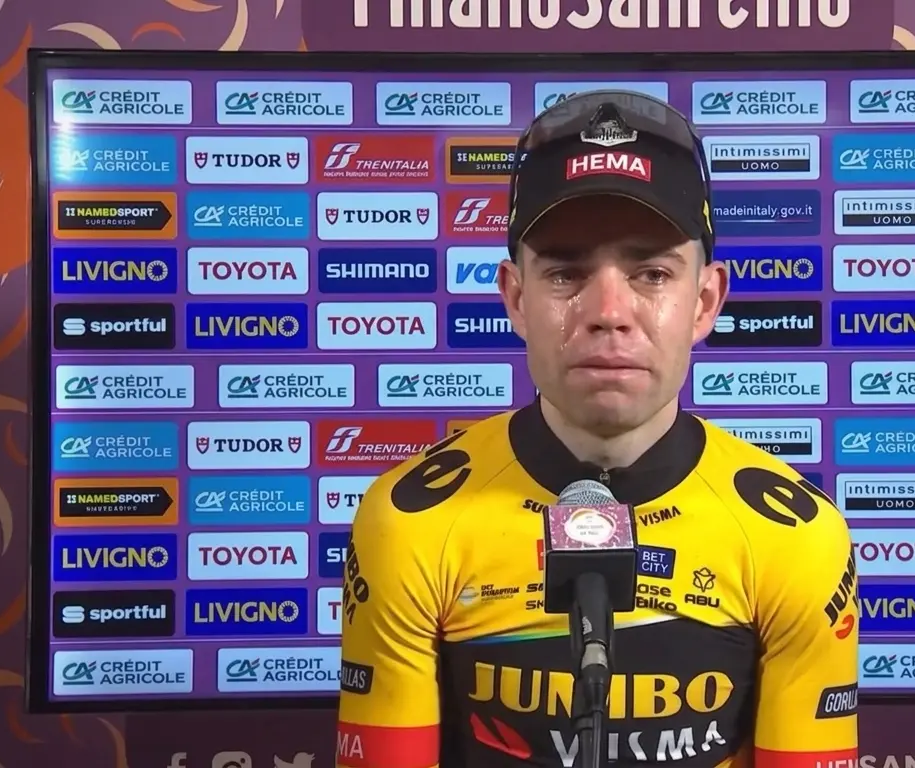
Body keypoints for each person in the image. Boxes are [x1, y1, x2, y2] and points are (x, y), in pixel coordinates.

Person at [337, 91, 858, 768]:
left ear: (704, 301)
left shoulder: (797, 539)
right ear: (515, 298)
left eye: (651, 273)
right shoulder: (409, 523)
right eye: (565, 273)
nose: (608, 312)